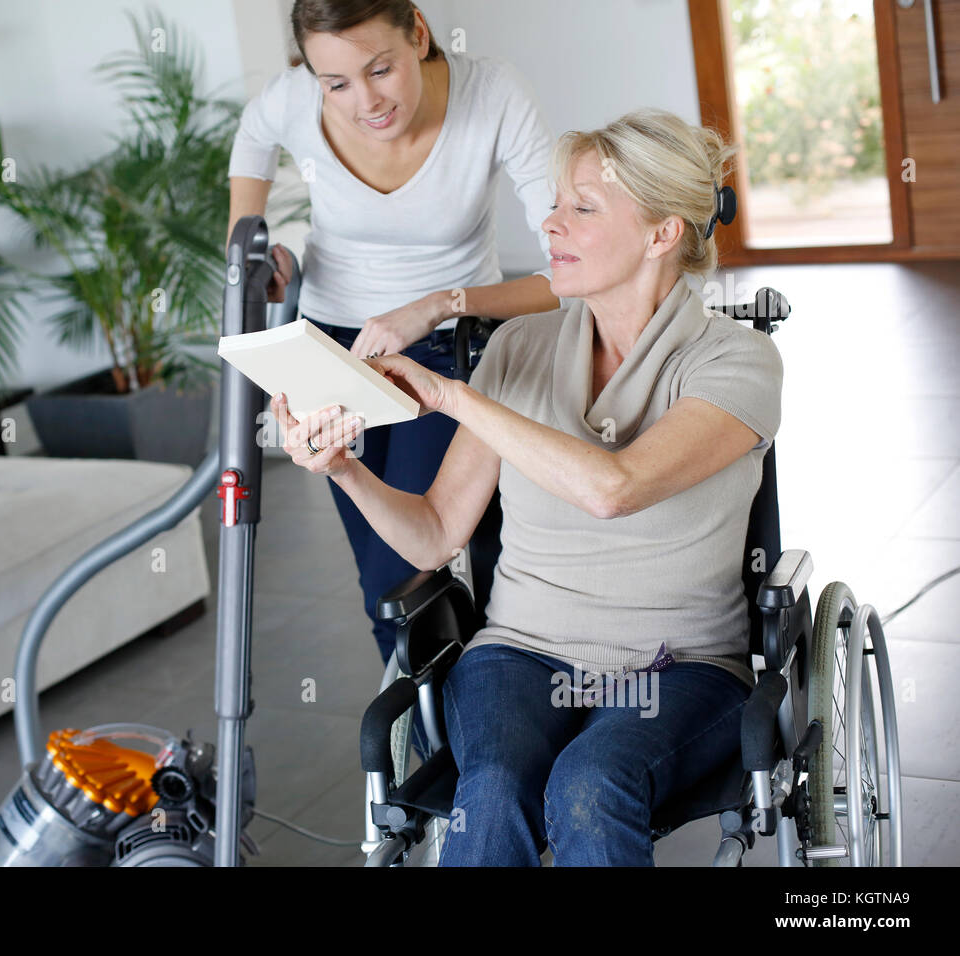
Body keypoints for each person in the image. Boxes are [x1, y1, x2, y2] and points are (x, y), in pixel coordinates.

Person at [270, 108, 784, 866]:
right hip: (520, 652)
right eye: (554, 204)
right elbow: (436, 531)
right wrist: (343, 468)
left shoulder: (737, 363)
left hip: (680, 665)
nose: (549, 225)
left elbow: (616, 487)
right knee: (495, 786)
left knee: (590, 782)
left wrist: (452, 396)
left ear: (662, 233)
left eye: (582, 208)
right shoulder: (518, 349)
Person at [227, 0, 560, 676]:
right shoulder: (294, 99)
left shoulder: (492, 93)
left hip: (447, 349)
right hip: (330, 348)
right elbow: (253, 139)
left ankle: (507, 692)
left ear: (418, 31)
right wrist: (251, 249)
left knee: (437, 551)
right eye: (336, 84)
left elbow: (572, 272)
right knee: (385, 584)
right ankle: (417, 739)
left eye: (380, 70)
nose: (364, 102)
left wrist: (438, 303)